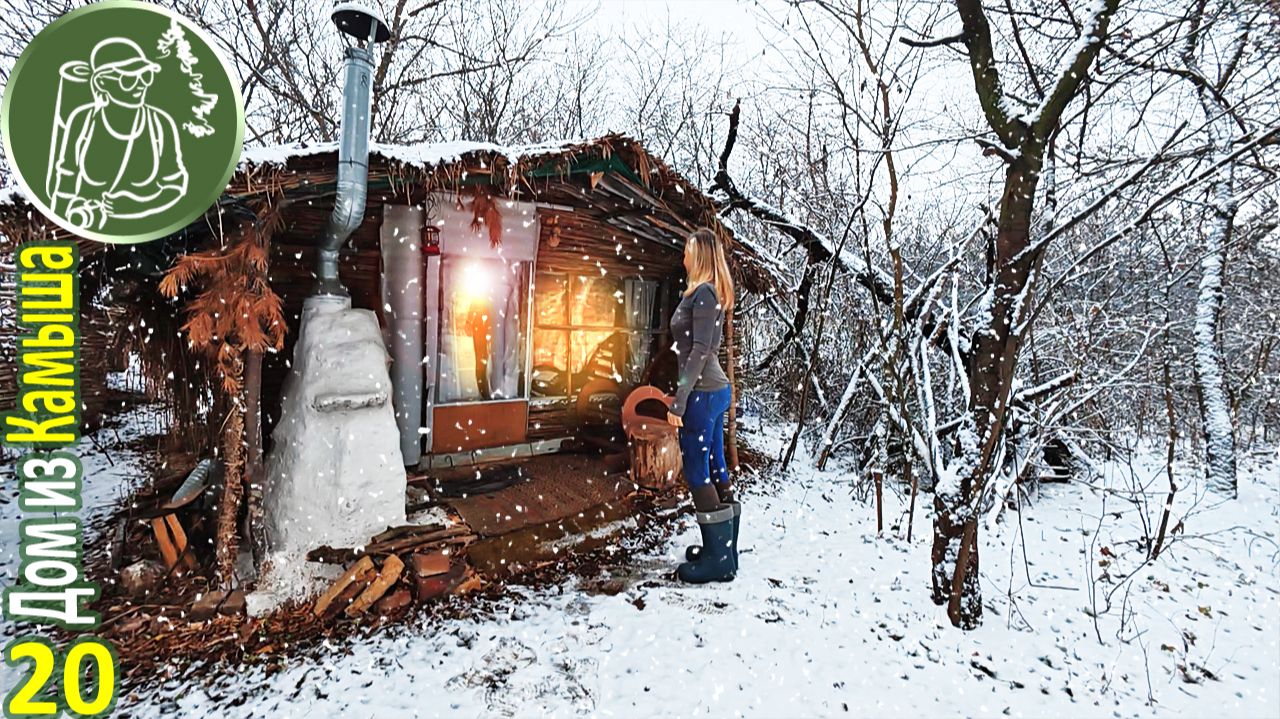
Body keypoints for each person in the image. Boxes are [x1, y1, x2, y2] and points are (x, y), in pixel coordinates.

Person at [49, 37, 188, 230]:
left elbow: (175, 186)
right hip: (92, 236)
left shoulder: (160, 124)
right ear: (102, 82)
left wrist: (139, 206)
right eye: (128, 79)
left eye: (145, 76)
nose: (141, 85)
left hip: (153, 238)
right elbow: (65, 182)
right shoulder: (83, 121)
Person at [667, 228, 739, 584]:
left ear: (701, 257)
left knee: (697, 470)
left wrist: (680, 401)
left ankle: (718, 560)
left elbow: (698, 352)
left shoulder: (705, 294)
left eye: (688, 251)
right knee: (715, 462)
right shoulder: (704, 294)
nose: (683, 256)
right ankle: (724, 552)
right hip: (712, 390)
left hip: (704, 393)